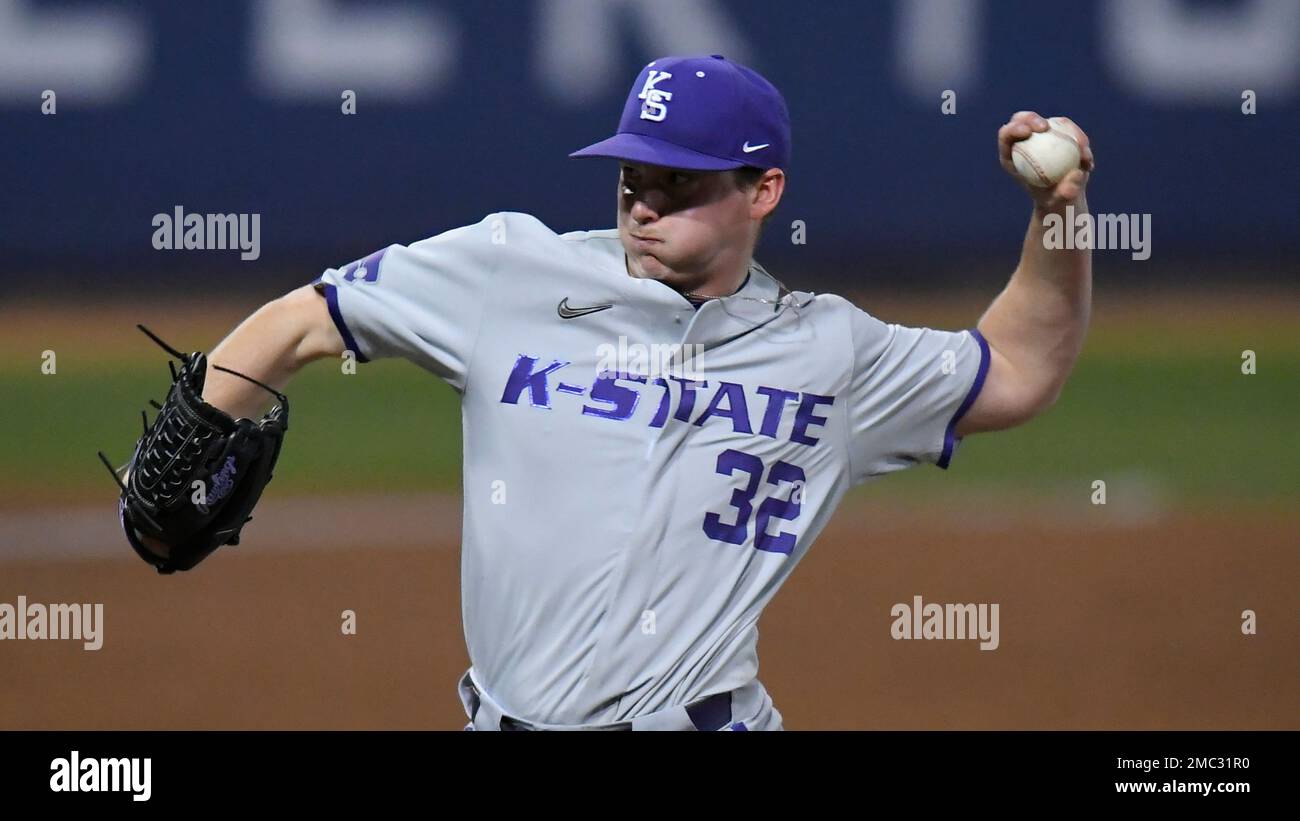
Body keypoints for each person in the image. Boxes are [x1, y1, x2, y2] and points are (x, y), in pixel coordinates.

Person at [124, 54, 1094, 730]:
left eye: (678, 180)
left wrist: (1060, 216)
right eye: (633, 171)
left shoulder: (827, 349)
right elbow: (304, 317)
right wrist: (202, 420)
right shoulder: (509, 270)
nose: (642, 197)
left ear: (763, 191)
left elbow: (1016, 365)